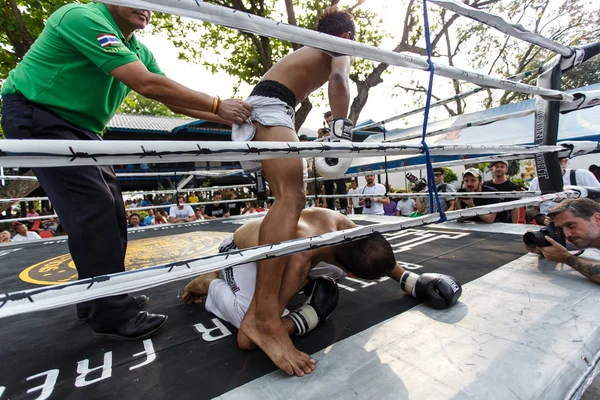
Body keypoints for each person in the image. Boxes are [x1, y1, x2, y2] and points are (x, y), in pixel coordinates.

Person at [1, 2, 252, 341]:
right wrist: (218, 105)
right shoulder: (83, 17)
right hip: (40, 113)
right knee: (93, 208)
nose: (146, 7)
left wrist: (228, 117)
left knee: (112, 207)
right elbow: (145, 84)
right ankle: (111, 312)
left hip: (81, 127)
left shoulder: (137, 49)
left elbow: (172, 100)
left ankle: (97, 297)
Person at [229, 6, 355, 375]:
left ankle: (262, 314)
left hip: (272, 105)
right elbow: (339, 80)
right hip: (272, 106)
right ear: (348, 36)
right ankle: (265, 318)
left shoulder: (311, 49)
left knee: (289, 199)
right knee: (292, 198)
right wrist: (342, 131)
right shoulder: (338, 46)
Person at [182, 208, 462, 337]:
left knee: (331, 274)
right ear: (352, 274)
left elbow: (371, 251)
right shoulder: (297, 263)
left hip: (282, 250)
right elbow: (255, 333)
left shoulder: (337, 222)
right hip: (240, 255)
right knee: (248, 314)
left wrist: (410, 281)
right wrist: (307, 318)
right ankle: (209, 283)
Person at [524, 198, 600, 284]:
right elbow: (563, 247)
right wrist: (542, 248)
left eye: (570, 225)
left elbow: (564, 254)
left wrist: (566, 258)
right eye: (560, 229)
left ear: (597, 220)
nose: (567, 234)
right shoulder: (585, 237)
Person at [529, 157, 600, 217]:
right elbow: (530, 208)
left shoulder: (581, 175)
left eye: (550, 166)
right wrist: (541, 218)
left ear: (564, 162)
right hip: (550, 225)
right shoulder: (536, 182)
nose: (546, 171)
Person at [319, 111, 348, 214]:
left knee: (341, 185)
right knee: (328, 187)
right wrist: (321, 137)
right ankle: (331, 209)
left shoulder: (340, 130)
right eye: (327, 122)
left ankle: (343, 208)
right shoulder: (324, 134)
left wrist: (331, 135)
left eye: (331, 120)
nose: (329, 123)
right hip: (327, 160)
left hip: (338, 159)